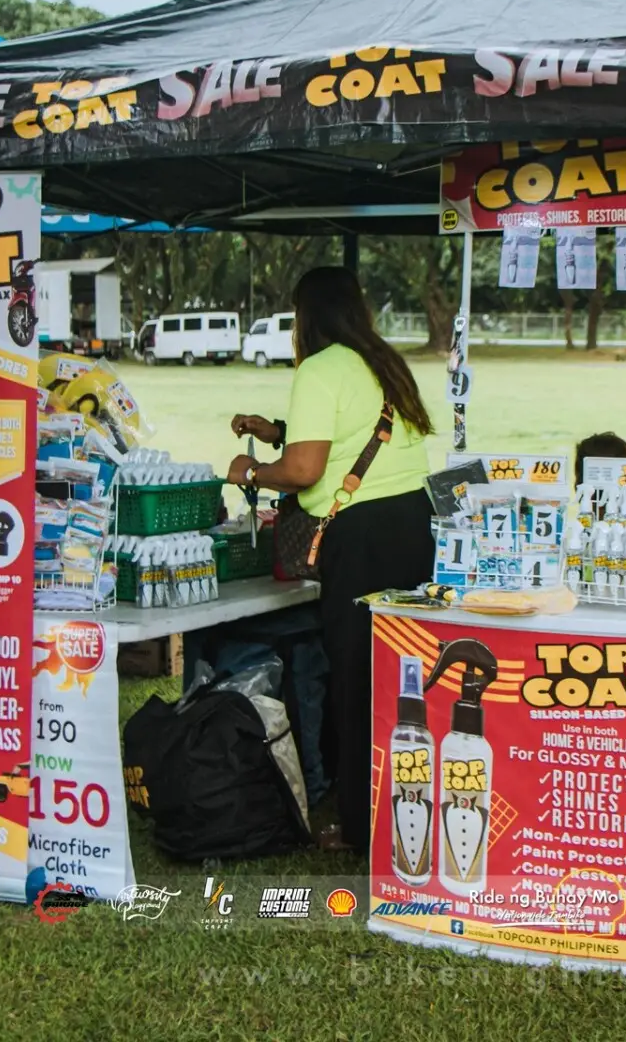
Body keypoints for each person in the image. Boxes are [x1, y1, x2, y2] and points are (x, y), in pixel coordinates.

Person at [228, 266, 434, 852]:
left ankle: (359, 823)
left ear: (306, 316)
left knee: (355, 679)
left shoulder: (319, 368)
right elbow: (347, 435)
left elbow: (304, 470)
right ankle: (404, 803)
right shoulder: (380, 360)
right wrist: (276, 432)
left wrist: (253, 471)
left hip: (362, 537)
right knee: (401, 679)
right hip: (412, 525)